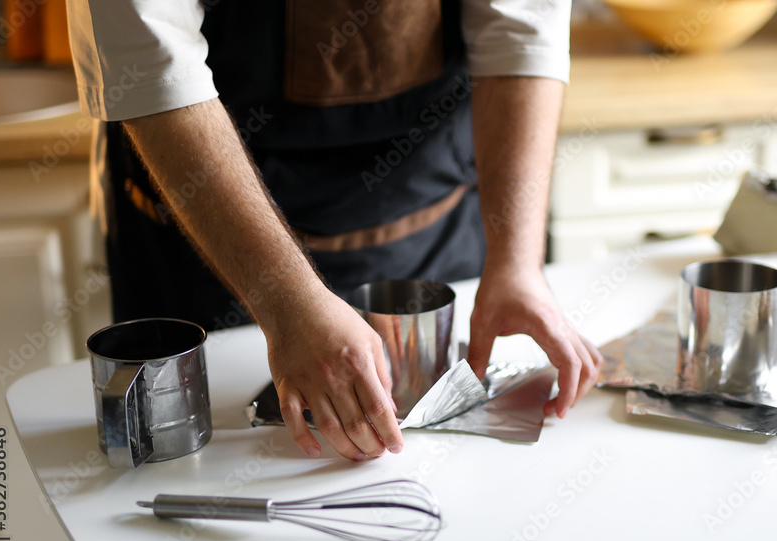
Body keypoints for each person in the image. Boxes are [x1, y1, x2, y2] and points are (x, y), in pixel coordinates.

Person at [67, 0, 602, 463]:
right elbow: (154, 63)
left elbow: (521, 25)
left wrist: (516, 263)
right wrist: (287, 301)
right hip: (209, 242)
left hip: (433, 212)